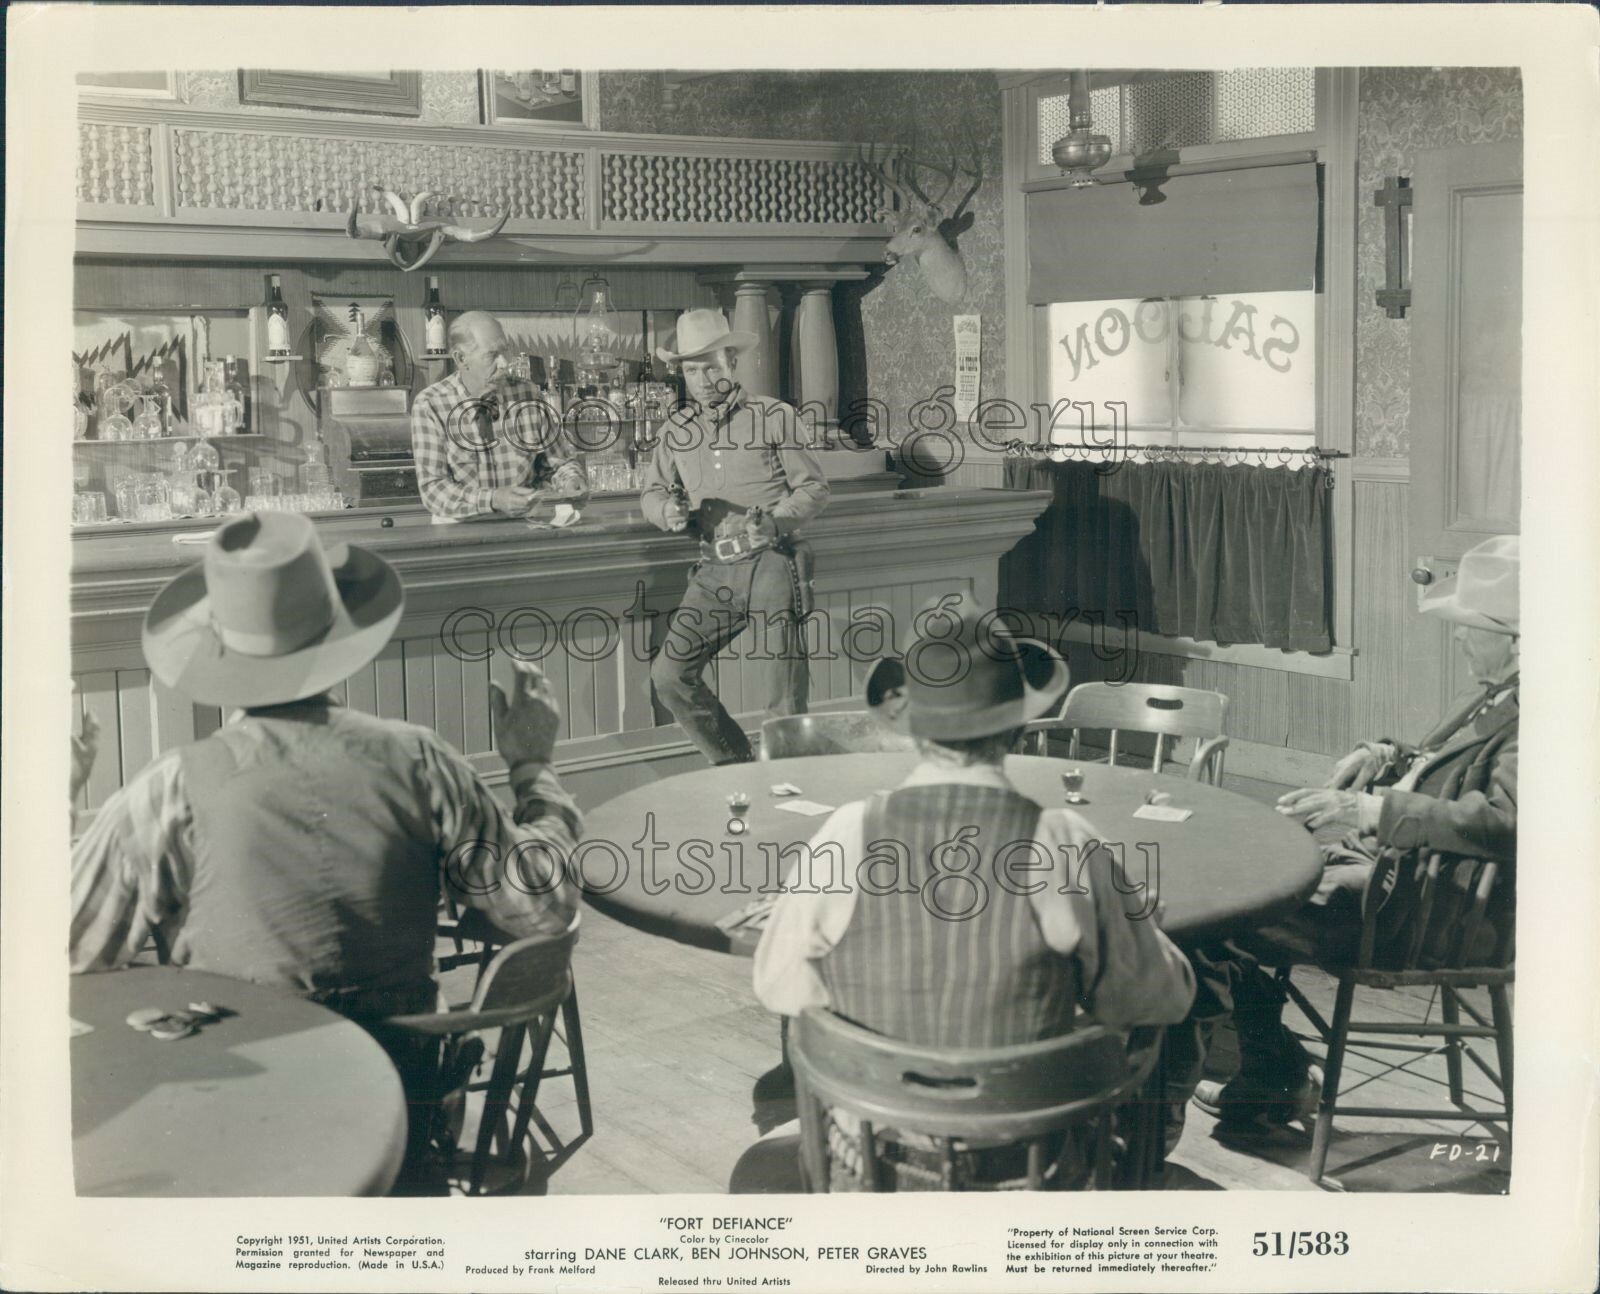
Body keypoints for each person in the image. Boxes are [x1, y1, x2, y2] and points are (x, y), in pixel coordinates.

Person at [69, 511, 584, 1186]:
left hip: (234, 1125)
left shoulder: (169, 789)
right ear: (337, 634)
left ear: (217, 651)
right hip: (407, 1115)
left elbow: (64, 952)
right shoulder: (420, 759)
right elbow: (543, 907)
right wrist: (533, 768)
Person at [753, 607, 1195, 1187]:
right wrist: (1143, 928)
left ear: (913, 731)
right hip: (1031, 1176)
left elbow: (780, 987)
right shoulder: (1063, 840)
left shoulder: (847, 831)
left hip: (868, 1170)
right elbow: (1158, 1000)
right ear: (1017, 731)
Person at [1180, 533, 1520, 1131]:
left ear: (1516, 641)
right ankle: (1271, 1065)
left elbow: (1512, 824)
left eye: (1469, 625)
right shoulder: (1494, 696)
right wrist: (1385, 755)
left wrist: (1369, 809)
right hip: (1390, 873)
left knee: (1210, 916)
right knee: (1221, 887)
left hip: (1422, 911)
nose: (1458, 636)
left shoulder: (1544, 721)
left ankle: (1268, 1071)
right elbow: (1445, 765)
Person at [640, 308, 829, 765]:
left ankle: (789, 779)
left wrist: (776, 522)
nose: (703, 380)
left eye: (711, 367)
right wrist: (666, 510)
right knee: (669, 675)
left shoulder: (775, 416)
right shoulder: (676, 430)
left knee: (783, 692)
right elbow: (652, 492)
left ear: (732, 362)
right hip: (714, 571)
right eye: (691, 370)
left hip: (770, 562)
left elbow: (813, 488)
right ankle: (736, 765)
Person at [410, 310, 589, 521]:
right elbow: (433, 490)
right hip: (459, 531)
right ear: (461, 358)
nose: (504, 363)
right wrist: (493, 500)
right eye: (492, 355)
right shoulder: (430, 404)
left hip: (524, 527)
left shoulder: (528, 394)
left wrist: (570, 480)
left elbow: (557, 462)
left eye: (505, 352)